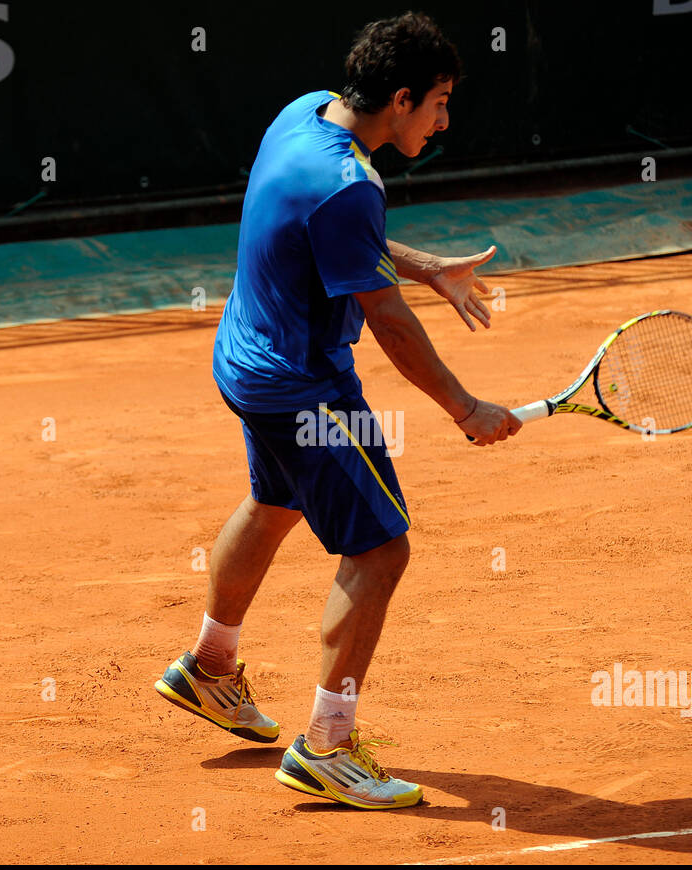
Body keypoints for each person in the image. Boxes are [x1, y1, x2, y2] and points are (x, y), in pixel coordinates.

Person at [155, 11, 520, 810]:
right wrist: (464, 406)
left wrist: (423, 266)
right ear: (400, 98)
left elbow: (326, 236)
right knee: (382, 551)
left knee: (276, 499)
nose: (445, 119)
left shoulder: (306, 111)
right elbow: (385, 322)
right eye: (440, 102)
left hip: (244, 357)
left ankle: (212, 666)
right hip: (302, 386)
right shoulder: (353, 186)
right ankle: (326, 745)